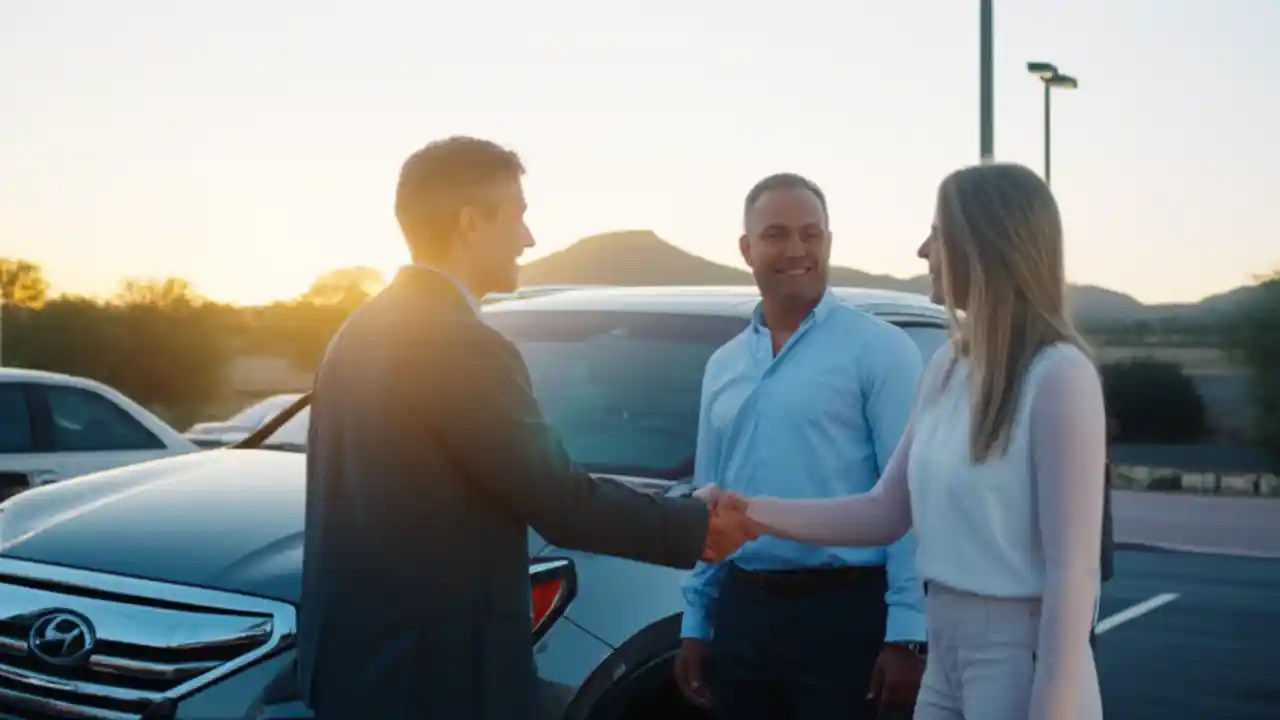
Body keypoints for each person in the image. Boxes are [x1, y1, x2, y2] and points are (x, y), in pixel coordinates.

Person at [296, 136, 756, 720]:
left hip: (355, 673)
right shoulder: (460, 342)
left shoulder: (359, 329)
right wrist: (698, 526)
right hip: (437, 685)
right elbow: (558, 498)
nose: (528, 238)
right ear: (470, 222)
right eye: (518, 214)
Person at [704, 162, 1106, 719]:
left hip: (1019, 657)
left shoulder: (1059, 375)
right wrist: (748, 512)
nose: (922, 251)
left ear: (983, 243)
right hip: (948, 651)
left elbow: (1074, 571)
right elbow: (883, 513)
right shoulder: (948, 366)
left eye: (937, 235)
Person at [675, 173, 928, 719]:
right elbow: (709, 502)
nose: (796, 250)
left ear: (829, 242)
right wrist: (697, 622)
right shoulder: (722, 365)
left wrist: (908, 633)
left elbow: (910, 504)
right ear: (746, 249)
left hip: (846, 615)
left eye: (810, 234)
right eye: (776, 235)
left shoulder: (881, 351)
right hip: (745, 615)